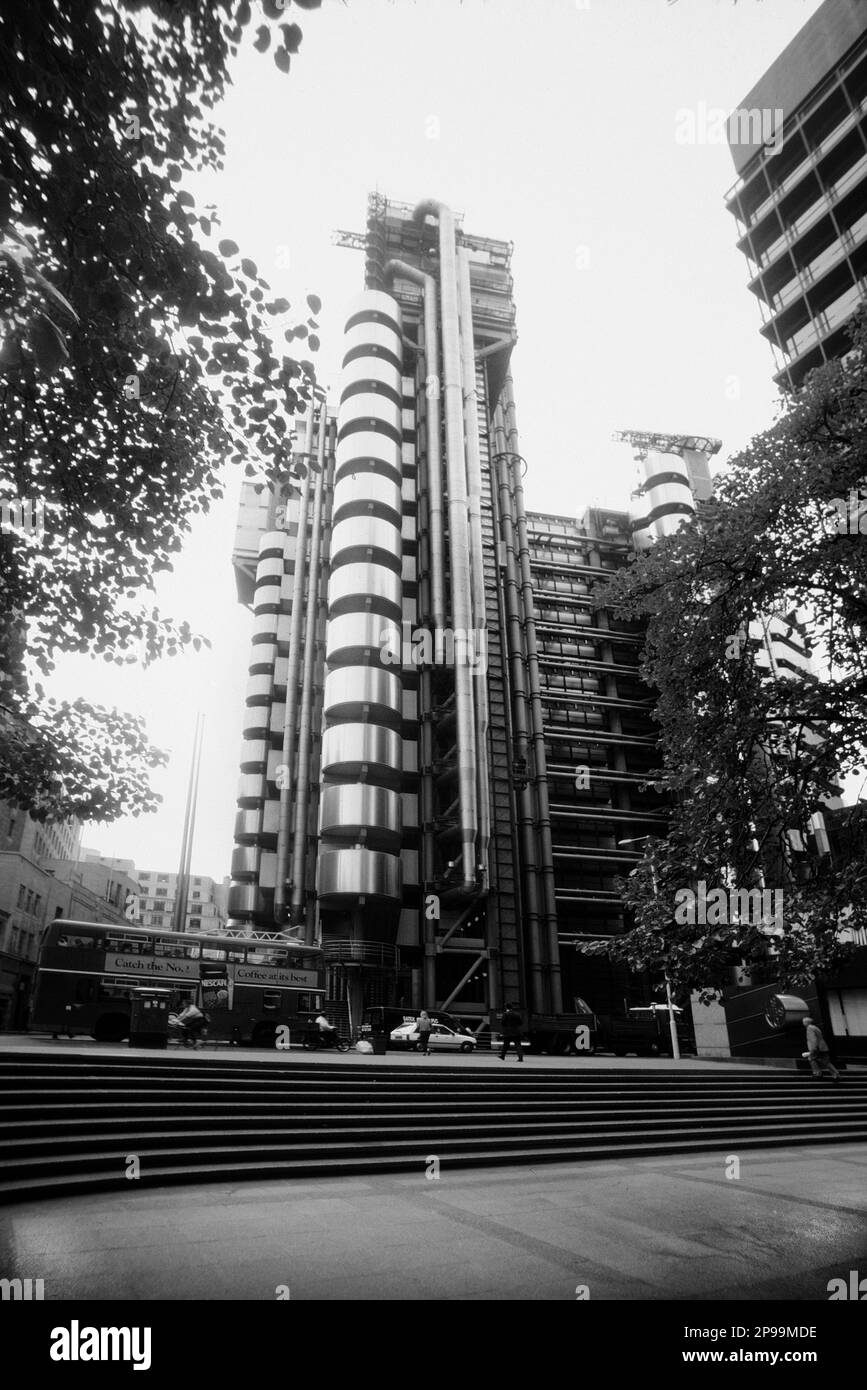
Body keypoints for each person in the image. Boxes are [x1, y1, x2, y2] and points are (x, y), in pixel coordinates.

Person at [802, 1016, 840, 1084]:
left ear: (806, 1023)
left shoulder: (809, 1028)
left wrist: (813, 1049)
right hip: (823, 1047)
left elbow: (813, 1039)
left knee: (811, 1059)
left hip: (817, 1048)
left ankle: (817, 1073)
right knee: (826, 1062)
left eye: (803, 1022)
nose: (803, 1023)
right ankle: (836, 1074)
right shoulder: (816, 1027)